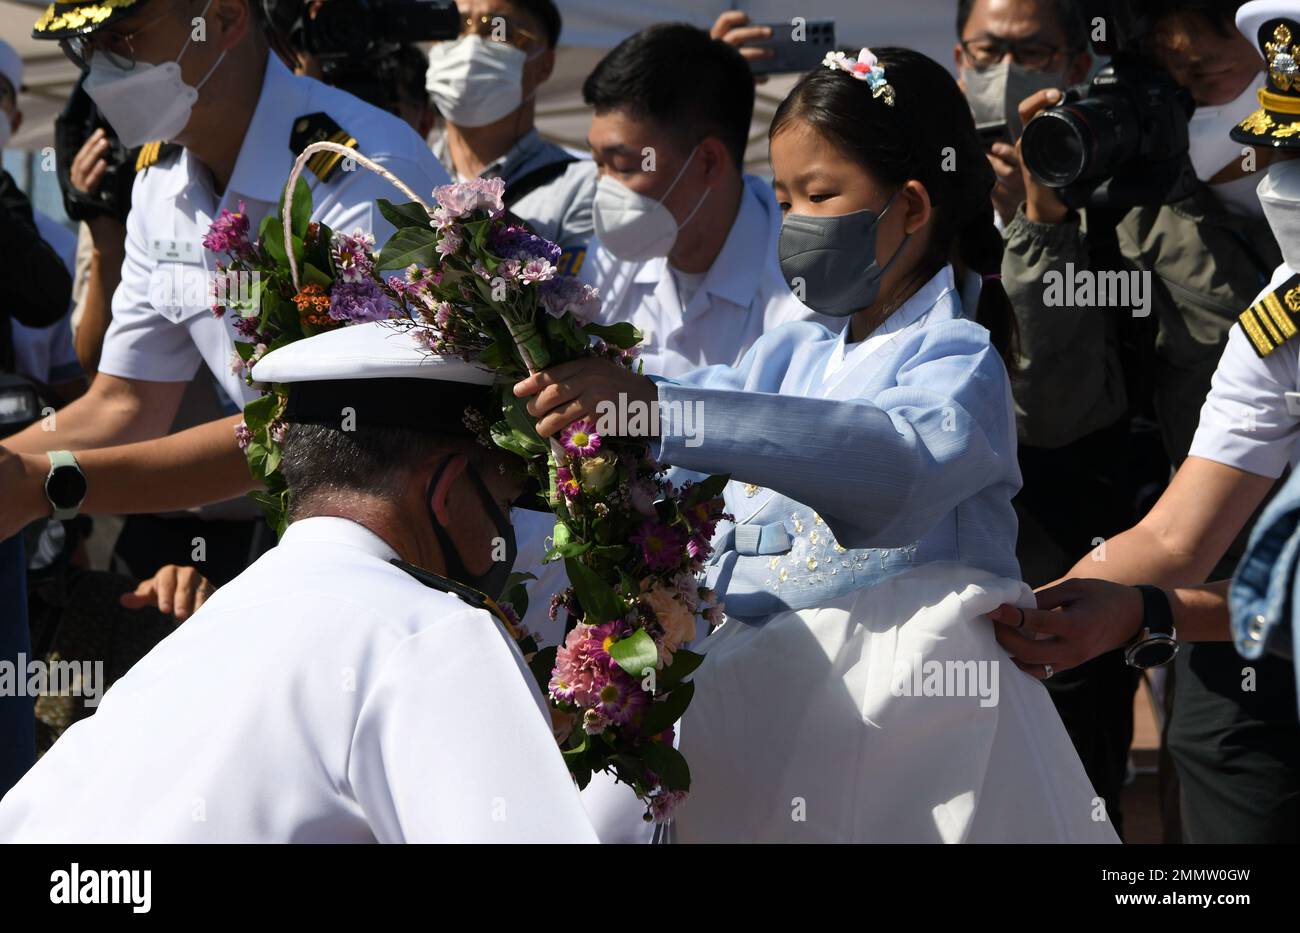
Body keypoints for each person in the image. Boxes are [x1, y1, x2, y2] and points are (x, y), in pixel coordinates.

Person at [518, 47, 1117, 843]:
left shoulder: (958, 359)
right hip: (769, 729)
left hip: (914, 737)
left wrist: (658, 410)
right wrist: (550, 371)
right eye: (784, 197)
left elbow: (894, 468)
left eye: (820, 194)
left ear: (911, 206)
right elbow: (692, 415)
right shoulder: (792, 350)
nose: (795, 219)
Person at [0, 320, 597, 843]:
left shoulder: (195, 638)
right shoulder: (435, 636)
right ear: (446, 490)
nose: (507, 527)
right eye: (505, 500)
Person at [990, 0, 1300, 844]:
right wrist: (1012, 616)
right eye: (1282, 150)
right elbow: (1172, 538)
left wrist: (1150, 612)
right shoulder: (1279, 326)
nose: (1281, 176)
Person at [0, 0, 449, 550]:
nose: (100, 70)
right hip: (321, 525)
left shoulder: (355, 170)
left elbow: (323, 424)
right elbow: (126, 403)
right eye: (86, 48)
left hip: (432, 542)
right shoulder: (160, 184)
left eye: (122, 37)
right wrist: (13, 466)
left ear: (227, 18)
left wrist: (46, 484)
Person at [426, 0, 595, 259]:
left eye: (499, 30)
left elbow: (579, 284)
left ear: (545, 65)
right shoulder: (403, 166)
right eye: (455, 27)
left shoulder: (582, 187)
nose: (469, 45)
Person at [954, 0, 1092, 227]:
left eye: (1032, 53)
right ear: (960, 60)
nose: (1006, 68)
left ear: (1077, 68)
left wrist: (1038, 215)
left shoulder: (1104, 184)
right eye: (988, 50)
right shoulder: (929, 172)